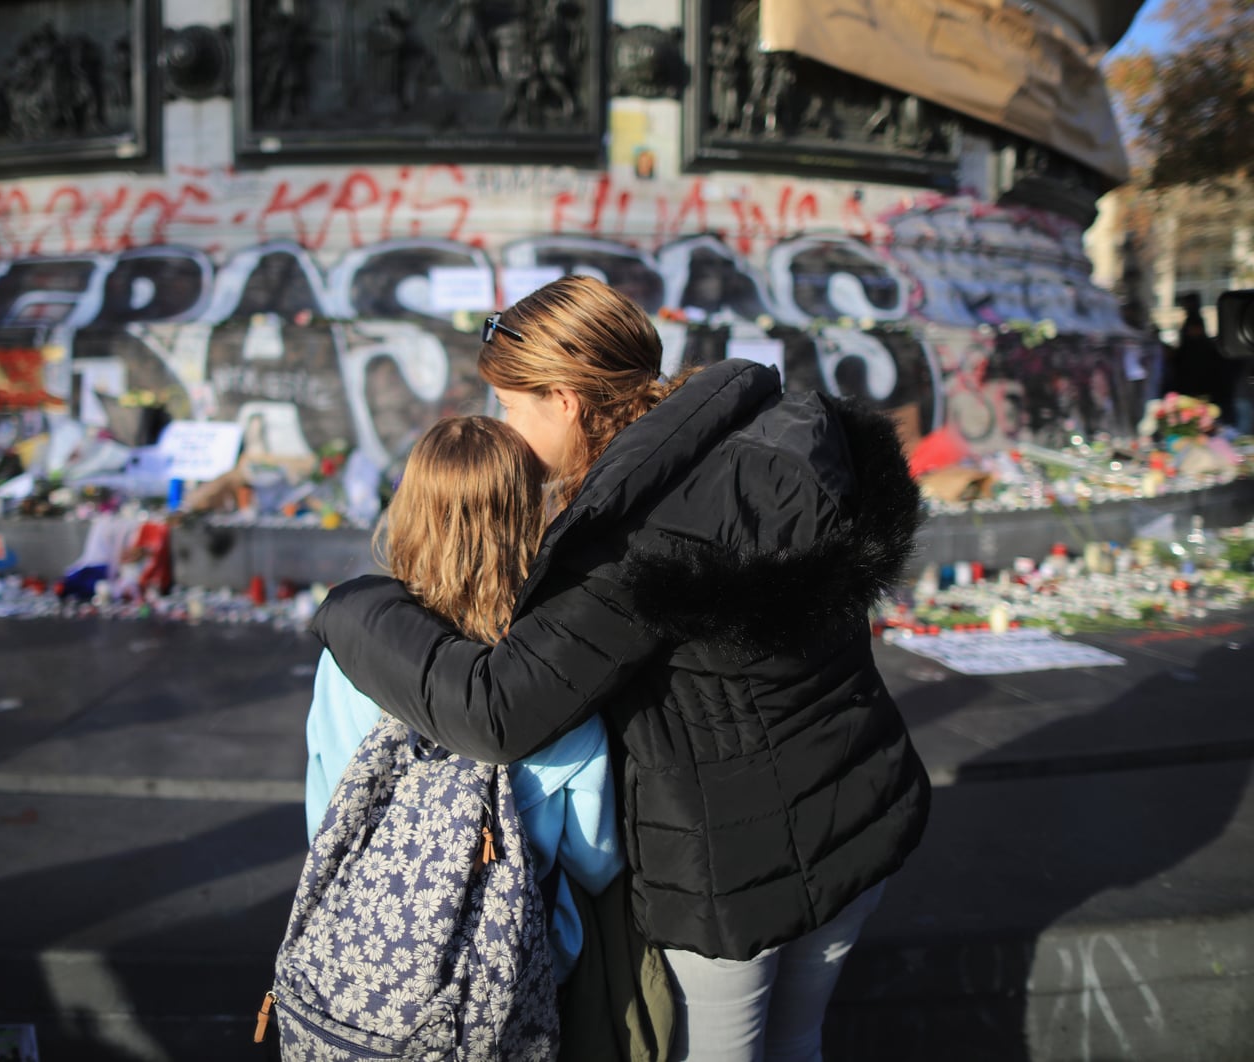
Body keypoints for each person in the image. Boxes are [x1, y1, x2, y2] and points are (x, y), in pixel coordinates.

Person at [312, 275, 931, 1061]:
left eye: (511, 404)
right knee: (800, 1039)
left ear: (566, 400)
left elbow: (497, 711)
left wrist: (351, 607)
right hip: (862, 811)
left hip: (736, 878)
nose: (505, 424)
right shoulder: (771, 433)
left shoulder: (631, 543)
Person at [304, 414, 623, 986]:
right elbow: (595, 860)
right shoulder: (552, 673)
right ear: (530, 518)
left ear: (411, 510)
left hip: (371, 954)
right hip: (514, 967)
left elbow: (324, 812)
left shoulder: (350, 658)